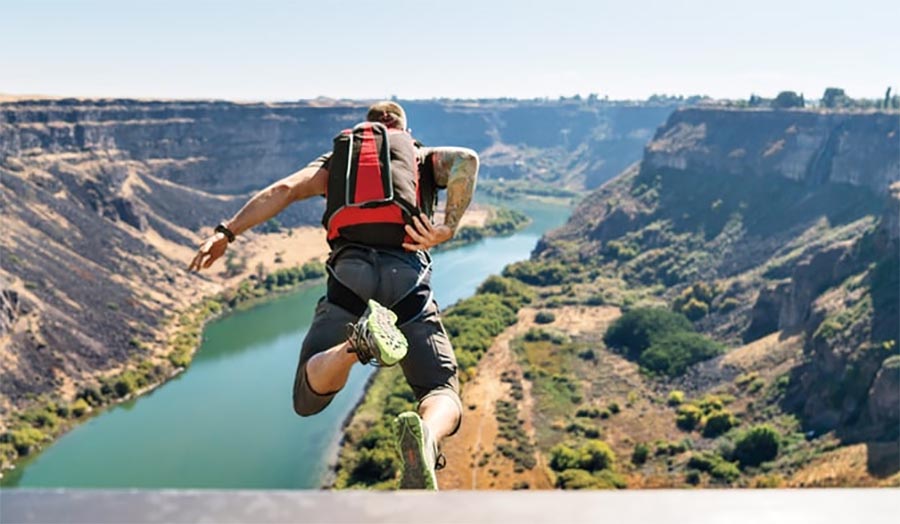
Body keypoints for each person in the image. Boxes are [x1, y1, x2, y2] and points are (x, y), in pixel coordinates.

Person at [188, 101, 478, 490]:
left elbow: (284, 190)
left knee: (308, 398)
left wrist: (226, 232)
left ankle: (356, 345)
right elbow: (467, 161)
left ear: (365, 128)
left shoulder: (338, 161)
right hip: (407, 275)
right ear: (401, 128)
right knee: (440, 389)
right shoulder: (421, 157)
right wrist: (448, 227)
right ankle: (427, 434)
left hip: (349, 276)